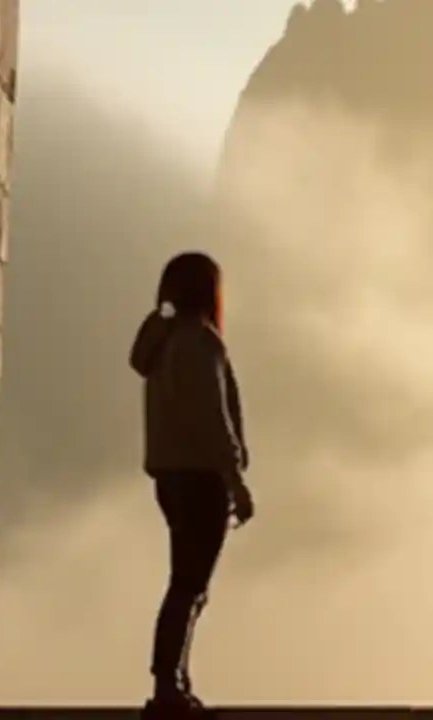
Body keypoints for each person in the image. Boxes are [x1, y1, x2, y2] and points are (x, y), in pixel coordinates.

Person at [128, 252, 254, 716]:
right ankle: (169, 685)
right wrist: (234, 478)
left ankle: (172, 681)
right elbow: (212, 417)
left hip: (169, 476)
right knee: (189, 585)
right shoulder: (200, 344)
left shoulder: (159, 346)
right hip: (201, 478)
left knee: (184, 580)